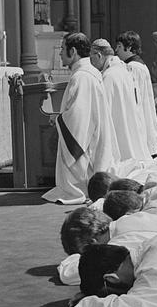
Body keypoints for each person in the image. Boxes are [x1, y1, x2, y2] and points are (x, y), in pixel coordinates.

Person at [42, 32, 120, 204]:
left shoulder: (82, 76)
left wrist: (58, 119)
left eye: (63, 49)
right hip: (93, 135)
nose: (60, 53)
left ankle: (77, 190)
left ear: (73, 51)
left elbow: (78, 119)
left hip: (84, 143)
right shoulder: (88, 72)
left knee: (77, 176)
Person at [90, 38, 153, 163]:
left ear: (99, 55)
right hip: (131, 123)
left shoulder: (109, 76)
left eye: (92, 58)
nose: (91, 62)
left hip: (119, 128)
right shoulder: (123, 69)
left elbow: (103, 111)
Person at [115, 30, 157, 155]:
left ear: (129, 48)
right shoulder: (139, 65)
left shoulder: (133, 67)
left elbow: (132, 96)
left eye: (119, 46)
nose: (116, 50)